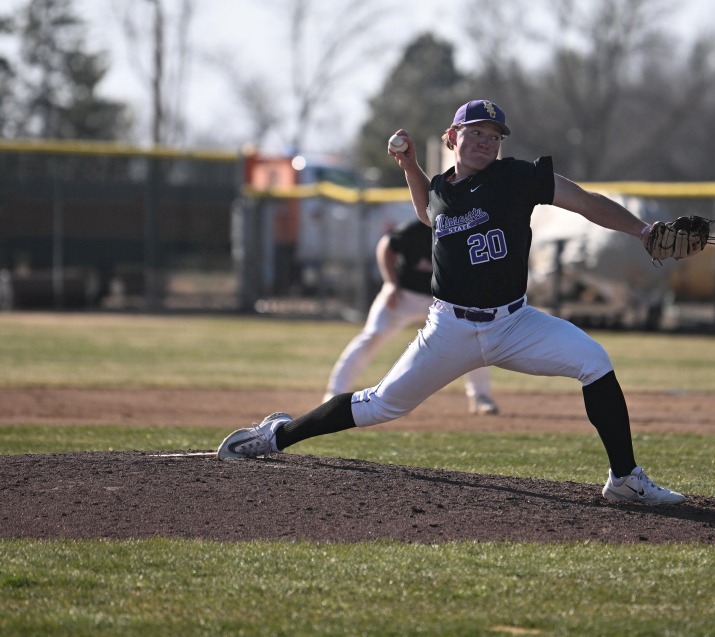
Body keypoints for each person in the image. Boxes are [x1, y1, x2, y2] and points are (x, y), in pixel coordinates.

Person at [219, 99, 686, 505]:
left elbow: (585, 202)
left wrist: (642, 230)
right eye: (475, 132)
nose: (486, 141)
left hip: (514, 324)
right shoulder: (441, 189)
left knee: (595, 361)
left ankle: (624, 479)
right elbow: (427, 210)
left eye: (493, 135)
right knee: (380, 405)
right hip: (449, 330)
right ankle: (277, 435)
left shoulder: (518, 177)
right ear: (452, 137)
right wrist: (410, 167)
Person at [321, 216, 499, 416]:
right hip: (403, 295)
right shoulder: (417, 227)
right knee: (372, 335)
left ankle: (480, 396)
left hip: (443, 298)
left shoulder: (465, 226)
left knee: (470, 338)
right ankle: (335, 393)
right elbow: (386, 246)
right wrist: (390, 283)